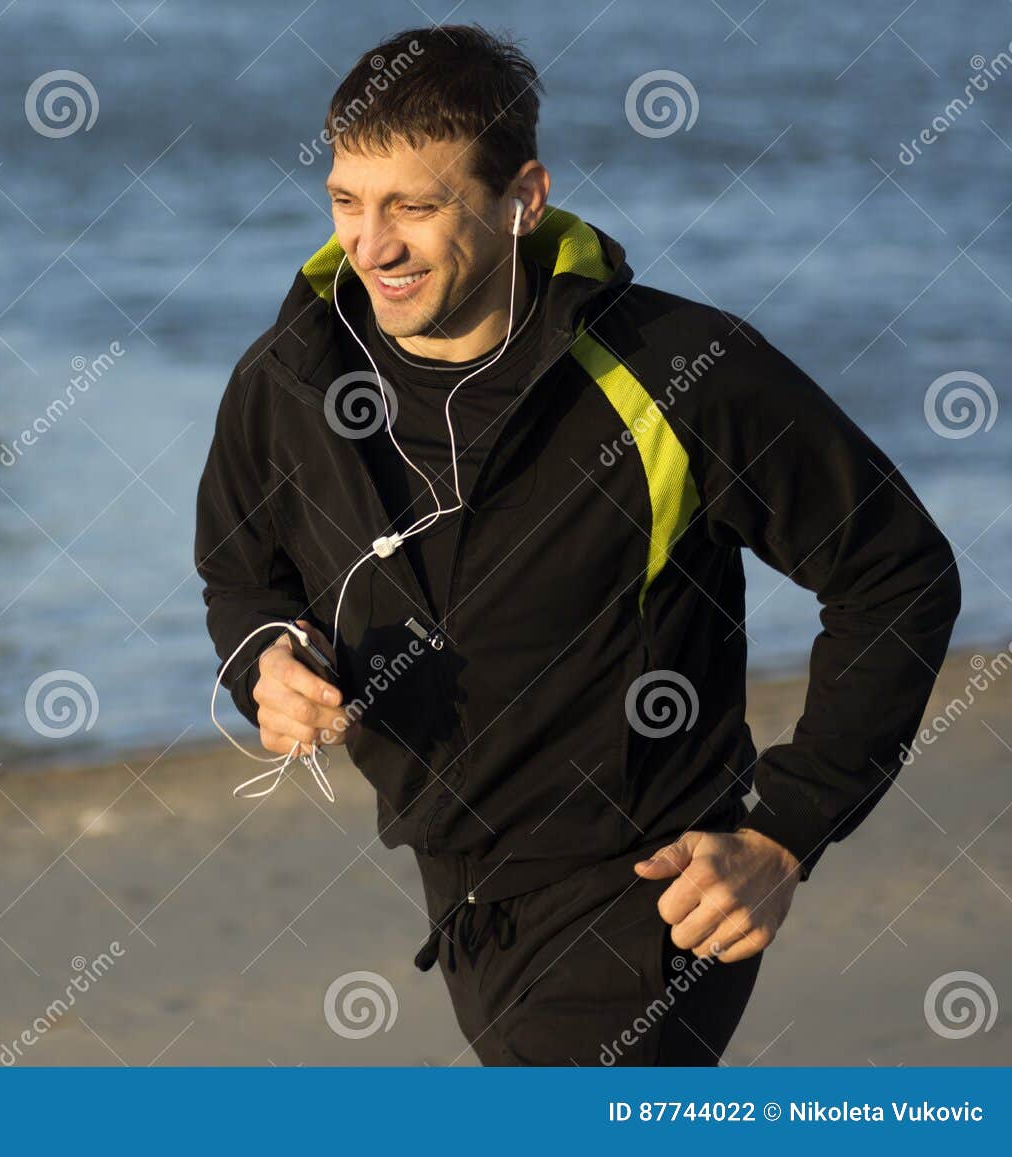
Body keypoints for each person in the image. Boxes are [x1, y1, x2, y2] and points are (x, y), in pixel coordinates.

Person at [193, 23, 961, 1064]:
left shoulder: (679, 368)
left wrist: (786, 829)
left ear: (522, 199)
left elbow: (896, 573)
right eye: (346, 202)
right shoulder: (291, 373)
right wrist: (266, 662)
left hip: (646, 895)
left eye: (413, 206)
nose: (370, 245)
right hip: (457, 889)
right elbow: (241, 568)